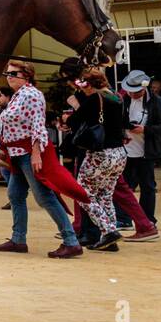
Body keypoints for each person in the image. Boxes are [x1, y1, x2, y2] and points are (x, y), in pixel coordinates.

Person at [0, 60, 82, 257]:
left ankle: (70, 240)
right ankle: (18, 239)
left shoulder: (31, 95)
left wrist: (35, 153)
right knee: (15, 195)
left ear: (26, 75)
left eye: (14, 73)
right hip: (17, 154)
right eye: (8, 73)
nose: (9, 77)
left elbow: (38, 126)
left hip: (27, 154)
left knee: (44, 197)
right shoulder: (19, 95)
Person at [68, 67, 130, 250]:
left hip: (100, 154)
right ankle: (108, 239)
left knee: (82, 192)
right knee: (105, 195)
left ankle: (109, 230)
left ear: (89, 85)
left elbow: (74, 121)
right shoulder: (117, 98)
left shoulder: (94, 99)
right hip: (119, 153)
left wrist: (74, 108)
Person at [119, 69, 161, 233]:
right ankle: (124, 219)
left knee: (147, 186)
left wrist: (145, 129)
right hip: (125, 151)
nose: (133, 94)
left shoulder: (157, 101)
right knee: (124, 187)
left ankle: (147, 220)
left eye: (136, 92)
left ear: (144, 88)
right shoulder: (123, 99)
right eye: (130, 91)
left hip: (146, 151)